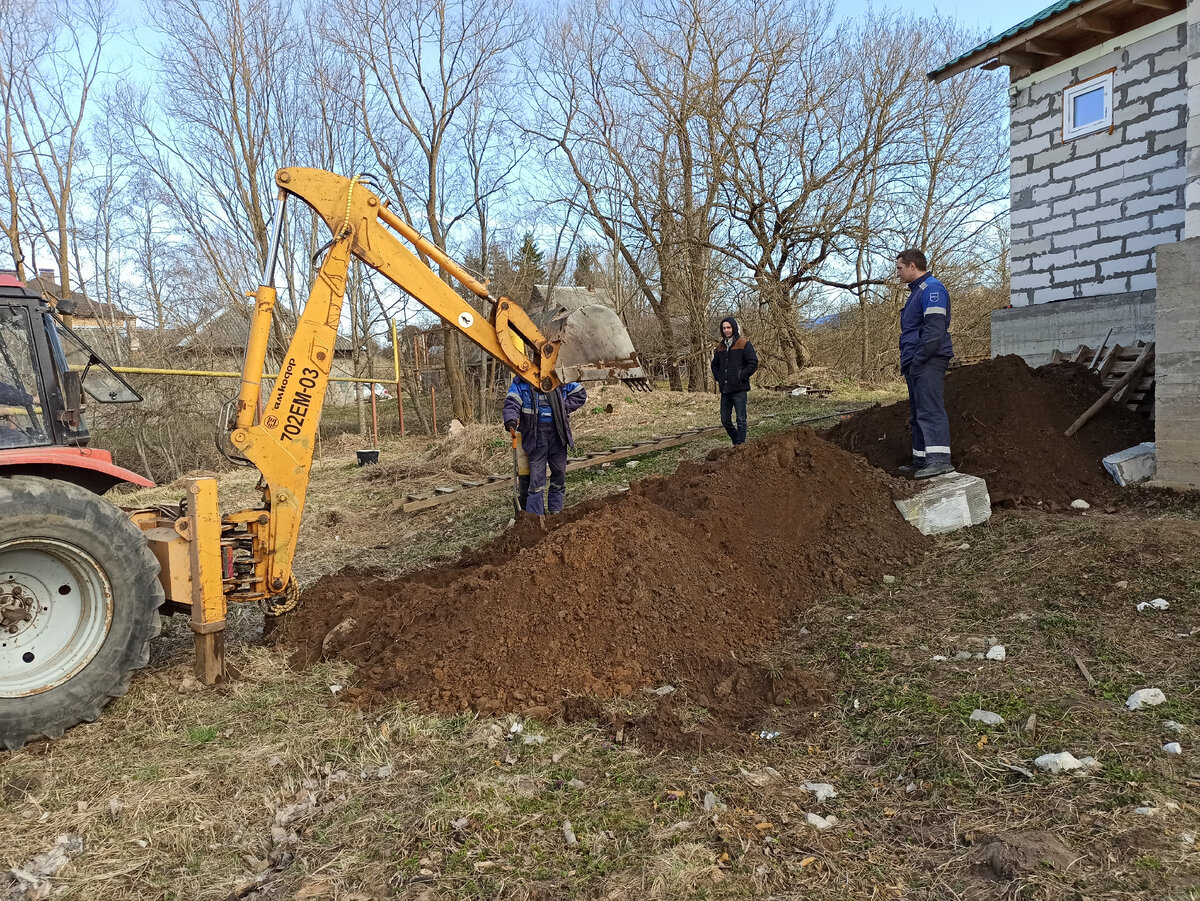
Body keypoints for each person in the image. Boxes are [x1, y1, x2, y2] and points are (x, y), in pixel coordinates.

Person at [896, 248, 955, 479]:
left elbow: (934, 329)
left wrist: (919, 359)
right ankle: (921, 459)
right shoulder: (917, 291)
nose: (897, 274)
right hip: (915, 360)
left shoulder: (932, 289)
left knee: (930, 409)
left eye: (900, 268)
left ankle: (939, 460)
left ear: (913, 266)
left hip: (928, 359)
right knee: (918, 412)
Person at [502, 375, 587, 516]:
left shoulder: (559, 377)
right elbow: (512, 402)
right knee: (536, 478)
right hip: (535, 436)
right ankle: (536, 517)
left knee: (559, 474)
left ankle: (556, 512)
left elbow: (580, 394)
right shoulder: (522, 382)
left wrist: (562, 408)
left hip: (558, 433)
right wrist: (511, 419)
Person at [710, 317, 758, 445]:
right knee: (725, 420)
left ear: (734, 328)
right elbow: (714, 365)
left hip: (739, 389)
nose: (726, 330)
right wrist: (718, 377)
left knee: (741, 419)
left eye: (729, 327)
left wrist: (741, 376)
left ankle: (740, 446)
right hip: (725, 390)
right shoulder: (720, 347)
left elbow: (753, 362)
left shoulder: (744, 344)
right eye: (724, 328)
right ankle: (737, 442)